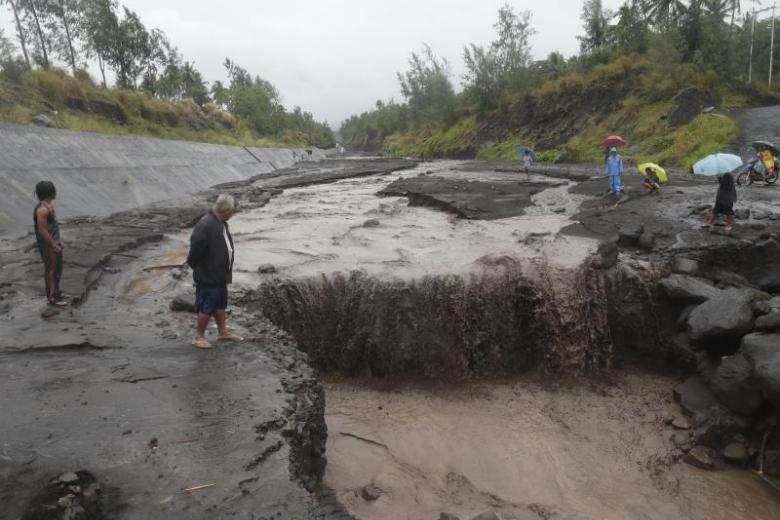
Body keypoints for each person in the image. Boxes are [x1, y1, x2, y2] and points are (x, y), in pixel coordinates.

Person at [186, 194, 244, 349]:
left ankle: (222, 332)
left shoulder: (220, 222)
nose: (233, 214)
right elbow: (195, 250)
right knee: (207, 305)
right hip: (209, 274)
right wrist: (195, 266)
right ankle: (198, 337)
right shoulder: (205, 224)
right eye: (232, 212)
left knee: (220, 304)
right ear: (226, 211)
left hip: (219, 274)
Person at [33, 181, 67, 306]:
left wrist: (58, 242)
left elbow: (52, 227)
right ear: (50, 192)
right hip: (48, 246)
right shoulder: (42, 210)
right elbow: (42, 231)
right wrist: (53, 245)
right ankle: (53, 297)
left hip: (54, 243)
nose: (55, 193)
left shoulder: (48, 206)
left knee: (57, 270)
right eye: (54, 190)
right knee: (51, 270)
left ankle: (57, 292)